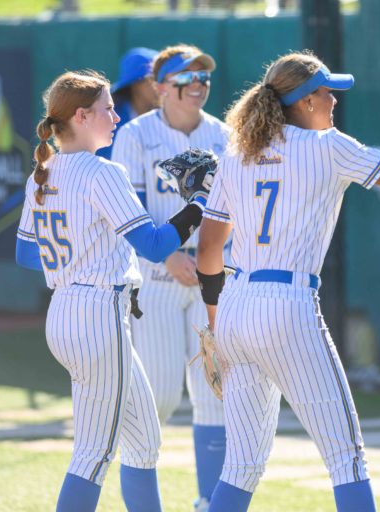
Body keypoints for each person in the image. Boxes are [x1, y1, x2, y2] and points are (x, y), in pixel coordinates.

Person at [195, 49, 380, 512]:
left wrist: (216, 321)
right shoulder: (329, 146)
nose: (334, 100)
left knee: (240, 467)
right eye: (327, 92)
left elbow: (207, 252)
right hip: (287, 303)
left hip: (237, 305)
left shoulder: (238, 152)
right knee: (346, 458)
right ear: (304, 102)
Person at [15, 70, 206, 511]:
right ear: (81, 116)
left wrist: (79, 250)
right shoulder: (104, 172)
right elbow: (156, 247)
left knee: (143, 441)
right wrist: (199, 205)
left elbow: (27, 256)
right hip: (98, 313)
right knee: (93, 454)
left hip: (65, 310)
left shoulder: (42, 173)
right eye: (107, 109)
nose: (116, 117)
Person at [111, 43, 228, 512]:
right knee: (157, 398)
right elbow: (130, 211)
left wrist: (205, 259)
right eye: (188, 78)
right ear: (161, 87)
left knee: (215, 393)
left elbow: (233, 209)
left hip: (210, 281)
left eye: (204, 79)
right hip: (155, 283)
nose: (199, 86)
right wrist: (169, 258)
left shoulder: (223, 135)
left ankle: (210, 502)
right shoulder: (136, 135)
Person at [97, 47, 159, 159]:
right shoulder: (110, 120)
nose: (159, 86)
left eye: (162, 79)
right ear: (136, 84)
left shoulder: (170, 117)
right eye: (153, 79)